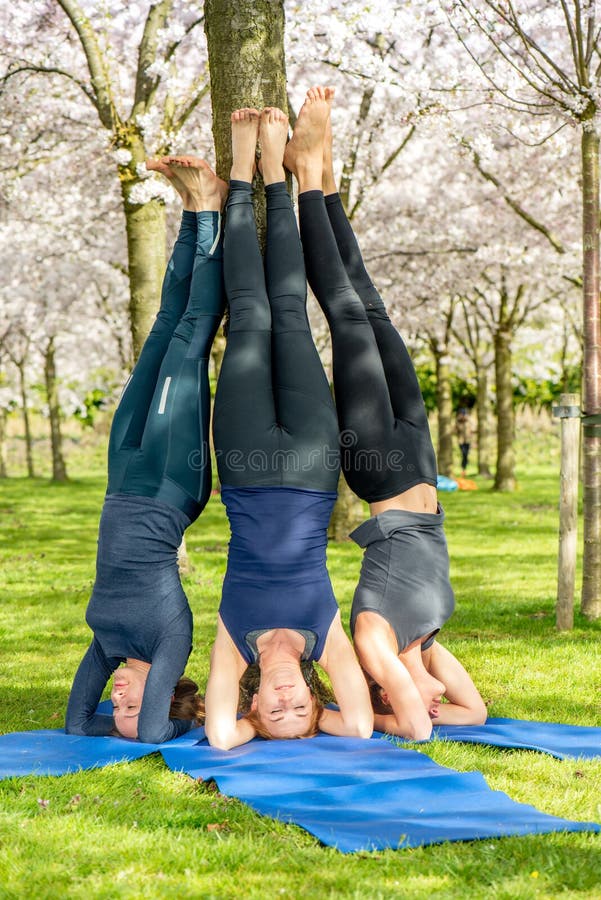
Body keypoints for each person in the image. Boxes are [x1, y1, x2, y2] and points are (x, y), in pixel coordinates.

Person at [285, 86, 487, 741]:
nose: (433, 706)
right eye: (433, 701)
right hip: (420, 459)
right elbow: (471, 715)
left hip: (376, 465)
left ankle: (304, 184)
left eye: (414, 702)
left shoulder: (378, 643)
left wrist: (380, 708)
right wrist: (426, 687)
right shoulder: (427, 646)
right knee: (370, 306)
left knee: (345, 311)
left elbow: (417, 730)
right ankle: (320, 175)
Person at [204, 106, 373, 750]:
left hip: (245, 467)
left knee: (249, 315)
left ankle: (245, 178)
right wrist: (317, 724)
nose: (283, 702)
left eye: (272, 713)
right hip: (310, 463)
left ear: (252, 702)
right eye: (298, 708)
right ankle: (277, 174)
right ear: (311, 690)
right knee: (292, 318)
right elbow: (357, 725)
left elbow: (221, 737)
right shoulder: (325, 637)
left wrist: (248, 726)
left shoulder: (234, 640)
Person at [65, 158, 227, 742]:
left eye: (120, 711)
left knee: (163, 326)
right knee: (191, 335)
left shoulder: (107, 645)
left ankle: (190, 212)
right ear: (164, 690)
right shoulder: (169, 641)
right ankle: (211, 206)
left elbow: (77, 725)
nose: (120, 703)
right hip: (168, 483)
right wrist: (146, 727)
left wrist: (105, 724)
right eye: (134, 707)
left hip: (122, 478)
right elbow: (158, 734)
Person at [455, 406, 473, 476]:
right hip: (461, 441)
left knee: (466, 455)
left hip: (468, 440)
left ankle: (464, 469)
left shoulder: (469, 421)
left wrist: (468, 419)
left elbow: (473, 428)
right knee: (464, 454)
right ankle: (463, 468)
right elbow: (455, 430)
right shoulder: (458, 421)